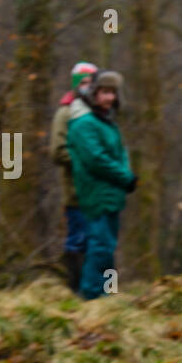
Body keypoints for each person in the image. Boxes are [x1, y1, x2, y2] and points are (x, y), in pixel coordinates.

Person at [66, 71, 136, 299]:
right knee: (99, 246)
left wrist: (126, 174)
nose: (109, 98)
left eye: (113, 93)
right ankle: (92, 295)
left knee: (108, 247)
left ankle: (109, 292)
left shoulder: (106, 123)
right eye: (105, 92)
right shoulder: (84, 124)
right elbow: (96, 160)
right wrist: (124, 177)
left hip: (112, 192)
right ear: (95, 93)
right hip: (96, 192)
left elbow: (120, 152)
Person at [51, 61, 97, 290]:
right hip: (77, 191)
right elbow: (58, 152)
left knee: (97, 241)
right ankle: (75, 289)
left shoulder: (99, 114)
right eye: (85, 83)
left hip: (99, 192)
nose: (88, 88)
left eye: (92, 83)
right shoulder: (65, 113)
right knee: (78, 239)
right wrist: (86, 161)